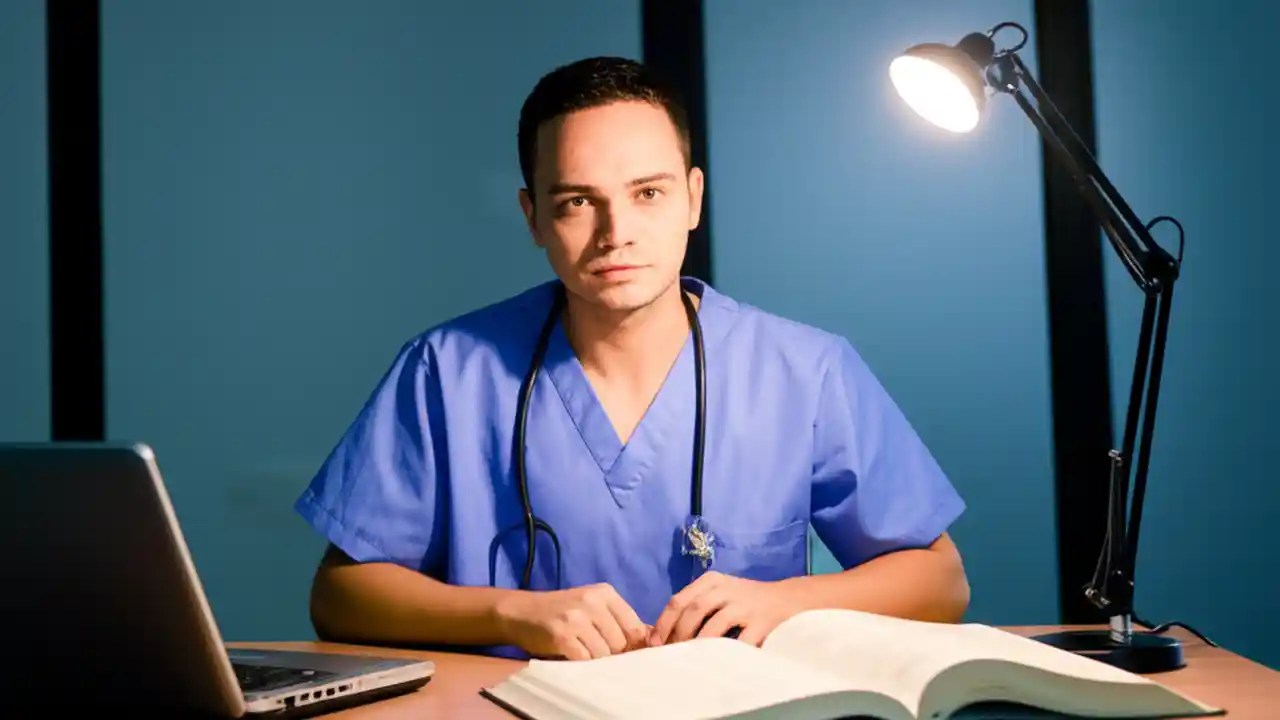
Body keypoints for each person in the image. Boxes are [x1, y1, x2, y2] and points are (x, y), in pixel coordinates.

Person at [294, 56, 969, 662]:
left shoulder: (807, 371)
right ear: (532, 218)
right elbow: (340, 596)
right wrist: (510, 612)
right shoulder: (446, 372)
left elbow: (940, 581)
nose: (616, 234)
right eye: (577, 202)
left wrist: (788, 601)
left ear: (693, 199)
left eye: (648, 193)